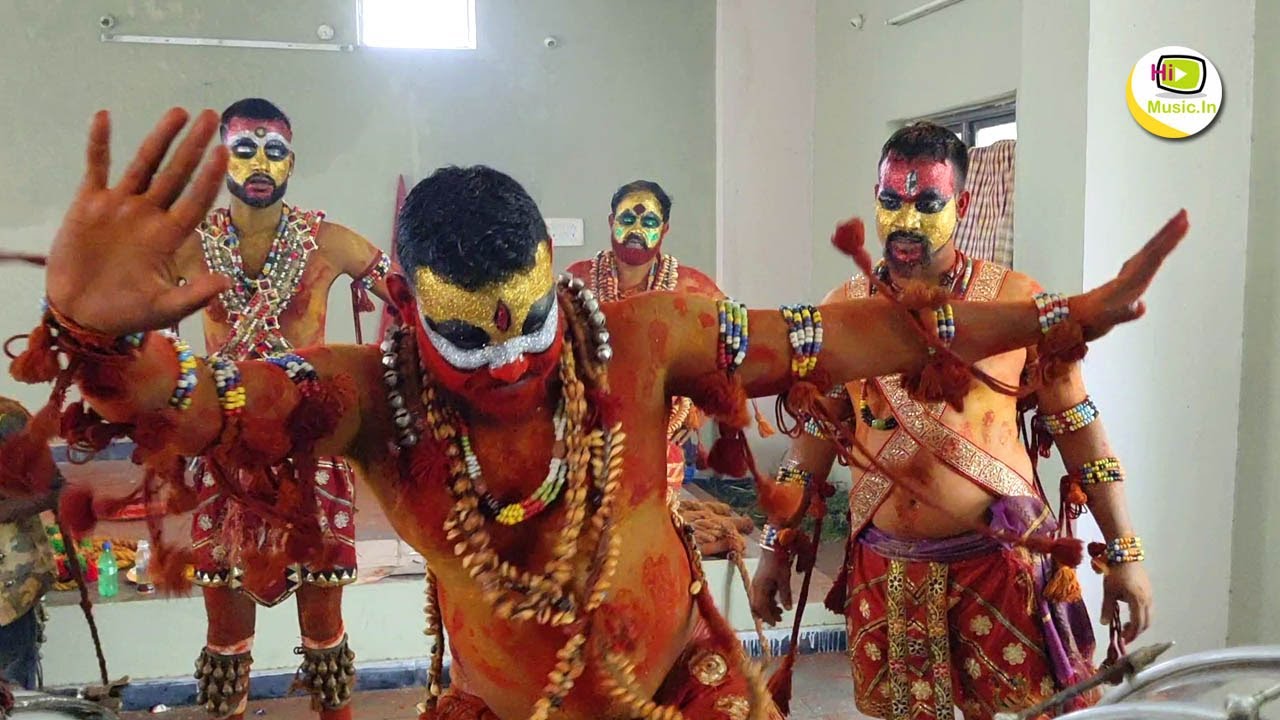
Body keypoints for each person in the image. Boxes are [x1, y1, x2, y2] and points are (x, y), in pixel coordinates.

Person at [15, 108, 1182, 719]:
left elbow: (852, 342)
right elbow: (210, 403)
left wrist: (1064, 314)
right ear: (412, 317)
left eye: (531, 316)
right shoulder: (361, 396)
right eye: (471, 333)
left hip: (692, 681)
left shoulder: (638, 336)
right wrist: (97, 337)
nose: (513, 356)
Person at [749, 123, 1154, 720]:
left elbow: (1079, 431)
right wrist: (772, 549)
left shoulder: (1015, 301)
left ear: (961, 207)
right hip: (885, 569)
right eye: (890, 202)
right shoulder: (843, 308)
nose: (905, 220)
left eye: (927, 203)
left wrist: (1126, 553)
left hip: (999, 567)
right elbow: (815, 434)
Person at [168, 98, 393, 720]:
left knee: (324, 624)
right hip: (226, 457)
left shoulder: (329, 242)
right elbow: (134, 327)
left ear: (292, 162)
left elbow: (409, 302)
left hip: (312, 454)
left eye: (274, 151)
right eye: (244, 150)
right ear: (222, 160)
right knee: (225, 632)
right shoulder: (188, 249)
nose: (260, 164)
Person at [565, 180, 748, 553]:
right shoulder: (578, 280)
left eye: (649, 221)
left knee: (649, 545)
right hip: (589, 436)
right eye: (628, 218)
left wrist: (691, 411)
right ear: (610, 220)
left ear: (664, 229)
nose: (636, 230)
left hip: (660, 437)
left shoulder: (693, 288)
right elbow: (557, 357)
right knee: (586, 546)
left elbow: (729, 355)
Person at [0, 398, 59, 690]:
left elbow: (53, 489)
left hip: (9, 596)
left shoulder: (7, 419)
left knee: (14, 696)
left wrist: (6, 510)